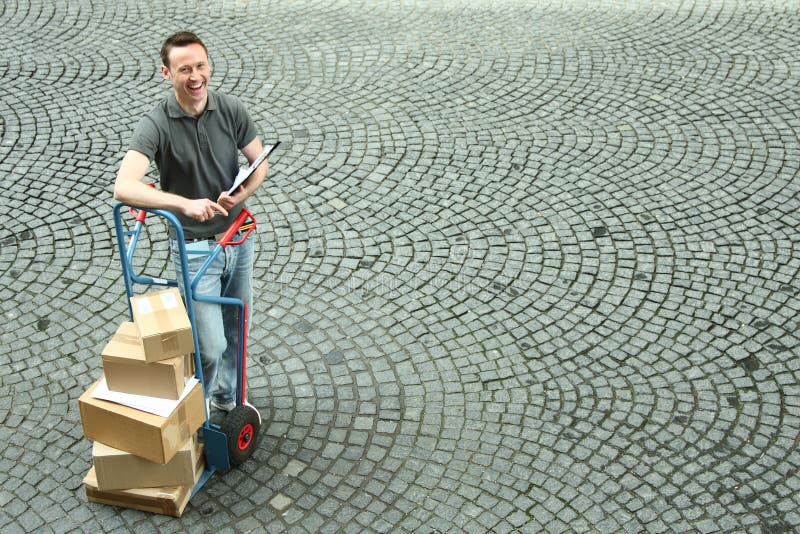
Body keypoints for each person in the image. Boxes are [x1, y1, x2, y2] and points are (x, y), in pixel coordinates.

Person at [114, 31, 268, 422]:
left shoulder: (231, 109)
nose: (195, 76)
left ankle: (227, 403)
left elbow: (260, 161)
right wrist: (184, 203)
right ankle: (194, 418)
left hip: (238, 239)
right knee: (210, 345)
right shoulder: (156, 123)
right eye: (184, 69)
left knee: (237, 329)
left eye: (200, 66)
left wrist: (243, 190)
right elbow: (124, 186)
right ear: (167, 73)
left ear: (209, 67)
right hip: (195, 248)